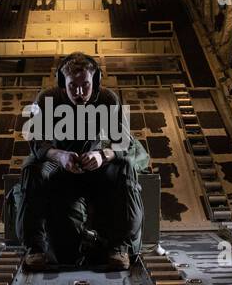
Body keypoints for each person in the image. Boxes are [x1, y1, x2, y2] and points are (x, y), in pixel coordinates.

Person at [16, 52, 149, 271]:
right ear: (62, 83)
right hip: (61, 167)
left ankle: (121, 247)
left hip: (96, 166)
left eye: (85, 85)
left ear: (95, 81)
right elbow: (38, 144)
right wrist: (59, 155)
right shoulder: (47, 99)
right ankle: (35, 248)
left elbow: (123, 142)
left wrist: (102, 155)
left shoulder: (107, 99)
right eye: (72, 86)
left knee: (124, 167)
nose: (79, 92)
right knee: (32, 169)